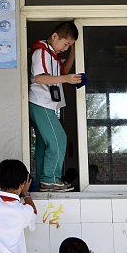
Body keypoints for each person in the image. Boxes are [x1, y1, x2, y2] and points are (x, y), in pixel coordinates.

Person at [29, 21, 80, 192]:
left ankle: (41, 182)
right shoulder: (41, 52)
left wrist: (73, 53)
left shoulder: (53, 55)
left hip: (46, 104)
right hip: (40, 101)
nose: (65, 48)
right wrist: (66, 79)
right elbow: (39, 78)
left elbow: (62, 71)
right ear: (54, 36)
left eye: (69, 46)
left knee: (44, 144)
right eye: (66, 44)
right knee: (59, 139)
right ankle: (50, 179)